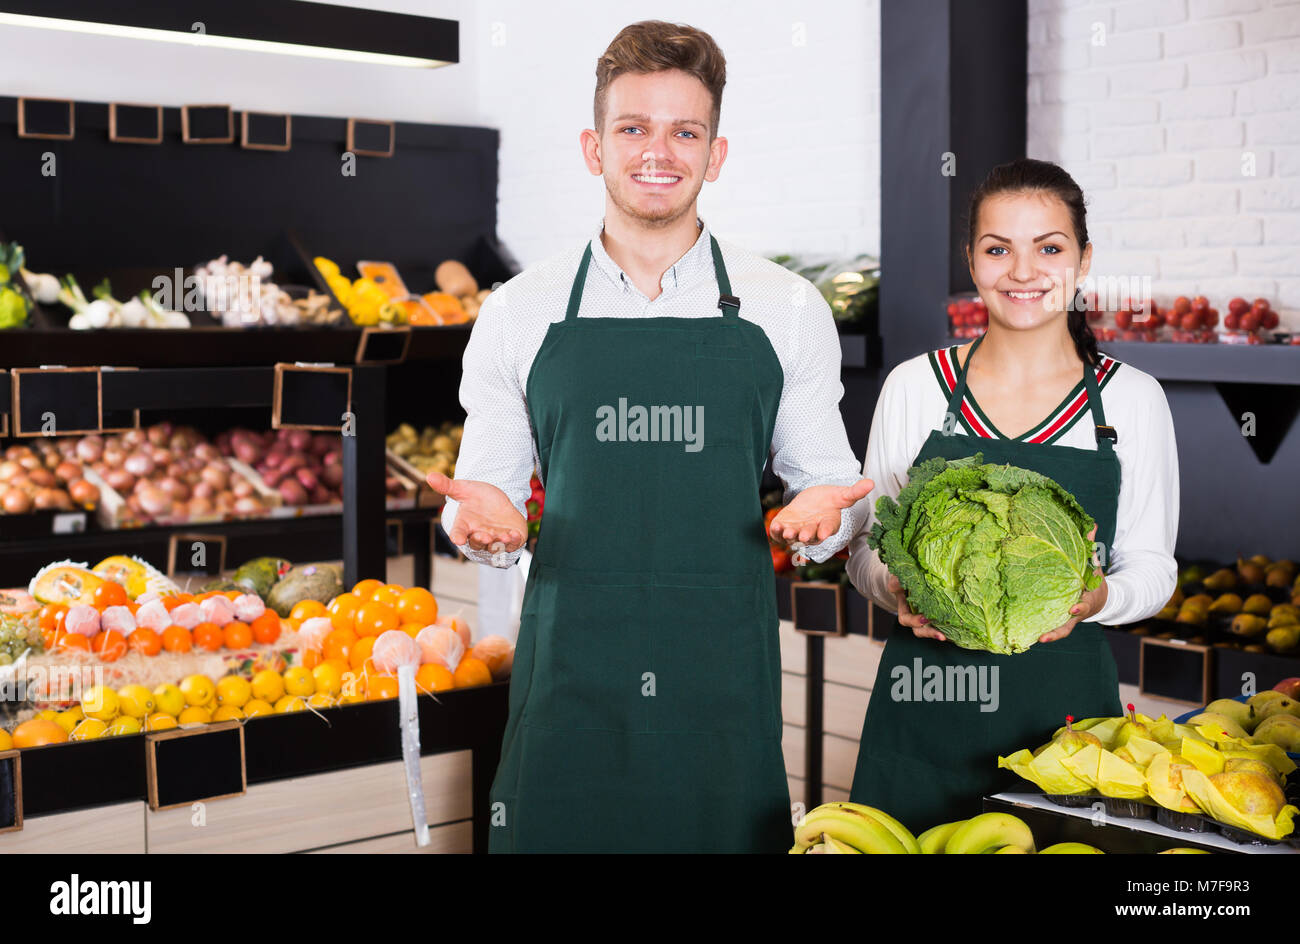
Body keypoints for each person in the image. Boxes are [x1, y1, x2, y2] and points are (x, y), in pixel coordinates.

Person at [428, 21, 872, 853]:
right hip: (568, 682)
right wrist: (477, 527)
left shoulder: (785, 309)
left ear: (717, 151)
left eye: (684, 130)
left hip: (721, 690)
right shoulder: (519, 311)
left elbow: (834, 497)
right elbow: (481, 496)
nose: (657, 151)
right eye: (633, 128)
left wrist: (827, 520)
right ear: (595, 148)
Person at [846, 158, 1179, 834]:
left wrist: (1098, 598)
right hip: (924, 708)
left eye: (1049, 248)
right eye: (999, 249)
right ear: (972, 261)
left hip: (1067, 725)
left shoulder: (1131, 401)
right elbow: (864, 548)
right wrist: (894, 588)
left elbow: (1153, 568)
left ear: (1084, 261)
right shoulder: (917, 387)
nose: (1023, 272)